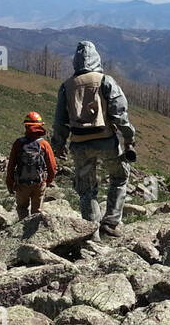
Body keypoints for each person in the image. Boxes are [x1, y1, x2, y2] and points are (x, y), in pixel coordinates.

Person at [52, 40, 137, 237]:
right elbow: (120, 115)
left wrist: (59, 144)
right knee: (119, 177)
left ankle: (91, 231)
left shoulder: (66, 86)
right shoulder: (105, 81)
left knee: (86, 189)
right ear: (96, 59)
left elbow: (60, 121)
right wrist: (129, 138)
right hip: (106, 140)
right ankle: (111, 222)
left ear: (75, 62)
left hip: (79, 144)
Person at [5, 110, 58, 220]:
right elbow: (52, 166)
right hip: (39, 183)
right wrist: (48, 181)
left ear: (26, 126)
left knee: (22, 208)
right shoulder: (44, 144)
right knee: (36, 212)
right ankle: (31, 233)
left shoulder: (18, 143)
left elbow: (11, 166)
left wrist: (10, 183)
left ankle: (21, 229)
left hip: (21, 184)